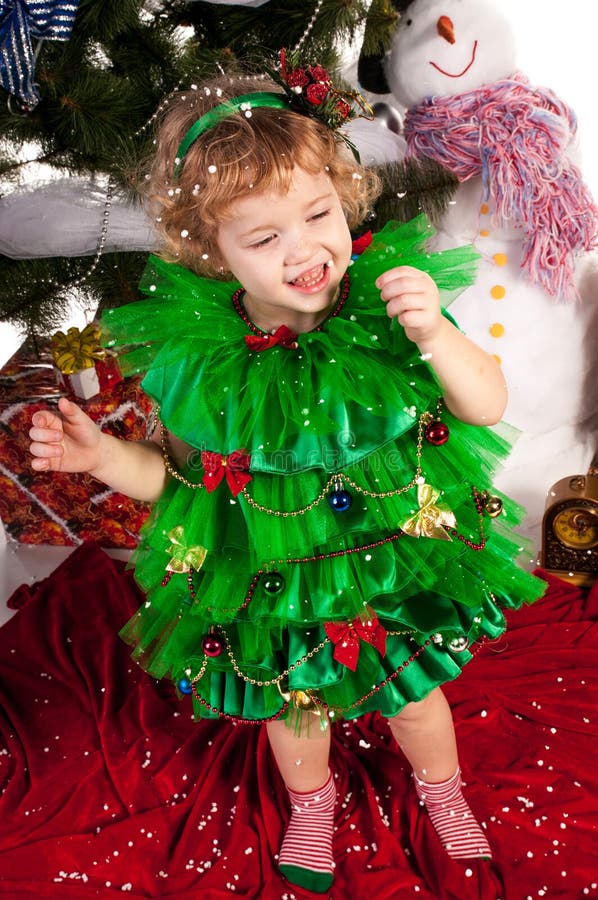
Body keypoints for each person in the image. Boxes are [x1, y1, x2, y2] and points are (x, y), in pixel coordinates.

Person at [29, 61, 545, 894]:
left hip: (389, 559)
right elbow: (184, 491)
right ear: (212, 246)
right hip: (271, 582)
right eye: (264, 238)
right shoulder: (204, 361)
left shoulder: (390, 303)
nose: (305, 249)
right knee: (293, 708)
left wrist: (436, 339)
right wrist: (105, 462)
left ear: (344, 197)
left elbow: (486, 406)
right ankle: (312, 803)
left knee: (413, 697)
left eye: (318, 214)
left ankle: (439, 788)